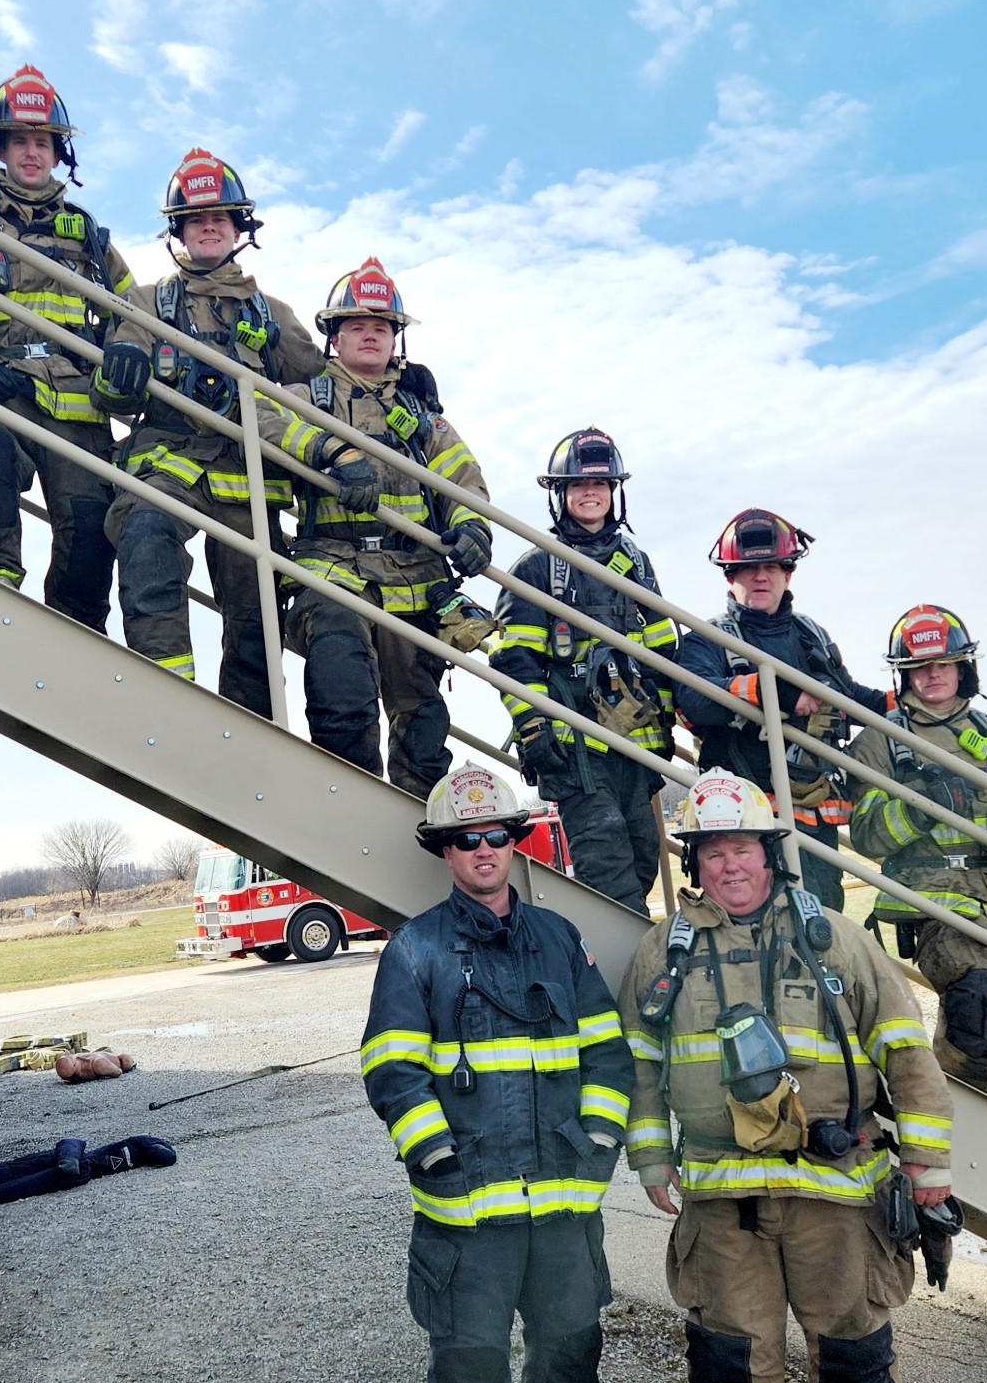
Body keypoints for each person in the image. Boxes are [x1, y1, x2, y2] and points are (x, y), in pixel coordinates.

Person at [621, 770, 953, 1383]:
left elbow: (906, 1051)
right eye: (712, 853)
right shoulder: (662, 950)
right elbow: (638, 1061)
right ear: (694, 864)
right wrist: (649, 1157)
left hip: (835, 1189)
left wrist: (928, 1168)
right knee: (730, 1351)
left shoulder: (834, 937)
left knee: (849, 1337)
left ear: (769, 853)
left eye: (742, 849)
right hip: (721, 1198)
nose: (729, 866)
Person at [362, 764, 635, 1383]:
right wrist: (437, 1157)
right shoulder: (414, 951)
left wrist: (601, 1144)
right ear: (445, 852)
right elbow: (391, 1069)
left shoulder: (560, 939)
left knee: (568, 1363)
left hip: (563, 1214)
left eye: (496, 835)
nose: (483, 849)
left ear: (516, 842)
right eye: (464, 839)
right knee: (470, 1377)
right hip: (467, 1222)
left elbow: (608, 1056)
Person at [105, 149, 375, 708]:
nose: (209, 227)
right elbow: (113, 378)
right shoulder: (146, 302)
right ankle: (165, 684)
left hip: (248, 480)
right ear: (178, 229)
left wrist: (400, 381)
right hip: (168, 464)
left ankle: (249, 727)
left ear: (237, 230)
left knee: (255, 620)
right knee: (146, 534)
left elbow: (331, 388)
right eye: (198, 219)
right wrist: (123, 365)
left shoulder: (272, 316)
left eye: (220, 219)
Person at [0, 66, 146, 624]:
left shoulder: (92, 237)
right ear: (0, 148)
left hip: (81, 408)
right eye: (19, 141)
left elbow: (134, 314)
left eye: (42, 142)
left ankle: (73, 644)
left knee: (90, 545)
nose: (31, 153)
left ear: (58, 154)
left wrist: (126, 351)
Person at [283, 258, 492, 794]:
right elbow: (260, 416)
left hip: (414, 582)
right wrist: (331, 449)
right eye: (357, 326)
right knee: (342, 696)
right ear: (334, 336)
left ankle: (416, 837)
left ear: (396, 340)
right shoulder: (307, 398)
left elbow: (461, 477)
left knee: (423, 729)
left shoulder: (423, 417)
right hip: (331, 570)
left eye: (381, 327)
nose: (369, 336)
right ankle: (351, 816)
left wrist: (473, 530)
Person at [848, 607, 987, 1103]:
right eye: (921, 667)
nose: (933, 674)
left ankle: (986, 1117)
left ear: (963, 669)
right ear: (903, 674)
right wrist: (921, 808)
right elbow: (865, 834)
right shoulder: (879, 739)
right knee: (982, 1006)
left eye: (944, 664)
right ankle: (954, 1120)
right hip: (935, 904)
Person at [491, 428, 679, 914]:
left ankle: (626, 972)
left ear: (614, 492)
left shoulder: (636, 563)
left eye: (600, 485)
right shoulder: (535, 568)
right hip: (576, 754)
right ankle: (623, 979)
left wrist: (669, 713)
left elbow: (662, 647)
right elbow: (514, 659)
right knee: (608, 869)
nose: (590, 493)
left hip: (636, 749)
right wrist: (533, 726)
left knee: (642, 861)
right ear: (560, 495)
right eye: (577, 486)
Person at [676, 510, 892, 910]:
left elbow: (848, 696)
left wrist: (902, 701)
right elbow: (695, 699)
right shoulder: (707, 640)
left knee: (822, 918)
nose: (761, 577)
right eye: (749, 568)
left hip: (813, 816)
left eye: (772, 567)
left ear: (788, 574)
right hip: (742, 827)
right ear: (730, 576)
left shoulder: (811, 635)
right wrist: (778, 692)